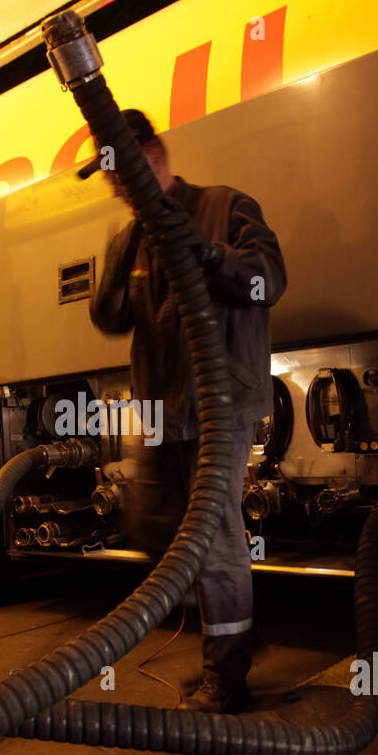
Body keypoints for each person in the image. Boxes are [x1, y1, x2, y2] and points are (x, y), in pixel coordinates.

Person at [86, 109, 287, 713]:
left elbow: (267, 282)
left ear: (152, 155)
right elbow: (110, 320)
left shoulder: (225, 206)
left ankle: (229, 677)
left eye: (119, 168)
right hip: (161, 410)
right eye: (105, 175)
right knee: (155, 525)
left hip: (218, 406)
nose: (113, 183)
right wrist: (118, 266)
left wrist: (206, 253)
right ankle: (236, 632)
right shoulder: (132, 238)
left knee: (215, 534)